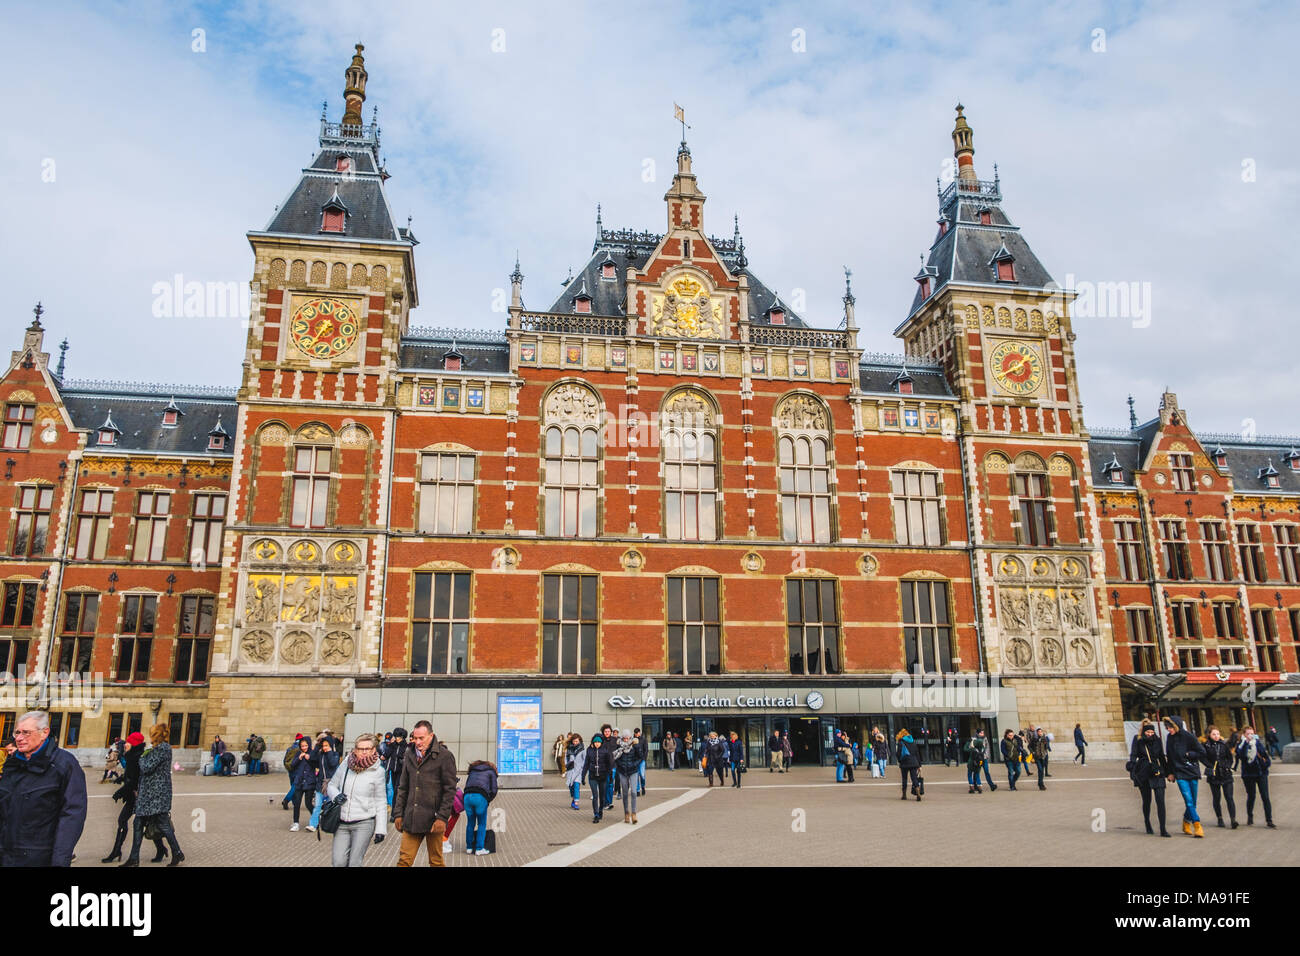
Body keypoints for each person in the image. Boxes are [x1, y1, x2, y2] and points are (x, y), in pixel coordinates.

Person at [0, 711, 87, 866]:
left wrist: (60, 861)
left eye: (26, 733)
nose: (18, 738)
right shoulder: (12, 764)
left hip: (39, 856)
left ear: (44, 733)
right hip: (6, 855)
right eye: (17, 732)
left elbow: (72, 816)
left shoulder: (64, 765)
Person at [393, 720, 457, 866]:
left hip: (434, 819)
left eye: (421, 738)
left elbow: (449, 790)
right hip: (411, 817)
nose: (417, 741)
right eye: (415, 738)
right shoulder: (409, 754)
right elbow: (403, 787)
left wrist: (442, 817)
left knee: (435, 861)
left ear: (431, 735)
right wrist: (398, 814)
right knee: (404, 860)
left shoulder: (445, 756)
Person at [121, 723, 183, 866]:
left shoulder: (163, 749)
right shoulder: (158, 749)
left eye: (152, 733)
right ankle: (134, 858)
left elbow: (147, 767)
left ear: (156, 735)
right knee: (138, 822)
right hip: (150, 793)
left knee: (163, 824)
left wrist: (142, 757)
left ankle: (177, 852)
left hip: (157, 794)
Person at [323, 733, 388, 866]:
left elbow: (381, 801)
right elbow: (331, 785)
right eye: (360, 749)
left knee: (354, 862)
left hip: (364, 822)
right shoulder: (346, 764)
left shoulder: (378, 771)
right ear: (355, 750)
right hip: (341, 822)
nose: (364, 752)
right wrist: (336, 795)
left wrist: (381, 829)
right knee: (338, 862)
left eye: (367, 749)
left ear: (374, 750)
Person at [101, 732, 163, 863]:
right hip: (133, 796)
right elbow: (131, 775)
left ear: (133, 744)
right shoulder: (131, 756)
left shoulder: (136, 757)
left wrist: (120, 792)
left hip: (138, 797)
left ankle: (161, 849)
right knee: (128, 821)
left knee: (140, 822)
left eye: (128, 742)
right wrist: (122, 778)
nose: (125, 745)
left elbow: (135, 780)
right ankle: (116, 851)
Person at [1163, 715, 1206, 837]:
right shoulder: (1169, 738)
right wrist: (1169, 773)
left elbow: (1201, 752)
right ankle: (1197, 825)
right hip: (1179, 773)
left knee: (1193, 801)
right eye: (1167, 727)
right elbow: (1169, 757)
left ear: (1176, 726)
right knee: (1188, 800)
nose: (1168, 729)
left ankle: (1186, 821)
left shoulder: (1188, 736)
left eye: (1170, 727)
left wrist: (1189, 754)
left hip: (1191, 771)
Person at [1129, 720, 1171, 837]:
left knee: (1160, 801)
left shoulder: (1157, 740)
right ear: (1144, 731)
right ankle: (1147, 823)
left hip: (1157, 772)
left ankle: (1163, 828)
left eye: (1152, 731)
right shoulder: (1138, 739)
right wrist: (1132, 767)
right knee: (1147, 801)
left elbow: (1161, 756)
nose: (1150, 734)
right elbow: (1133, 754)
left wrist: (1168, 772)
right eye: (1148, 731)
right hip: (1144, 773)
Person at [1236, 727, 1275, 828]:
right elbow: (1241, 756)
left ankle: (1269, 820)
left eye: (1252, 733)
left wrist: (1265, 765)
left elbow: (1266, 757)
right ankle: (1250, 816)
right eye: (1248, 733)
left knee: (1265, 796)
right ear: (1244, 735)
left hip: (1261, 773)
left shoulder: (1257, 743)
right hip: (1248, 775)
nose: (1250, 736)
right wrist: (1245, 743)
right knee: (1251, 796)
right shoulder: (1241, 745)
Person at [1200, 726, 1237, 829]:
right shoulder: (1206, 745)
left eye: (1217, 734)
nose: (1216, 736)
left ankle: (1233, 819)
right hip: (1214, 775)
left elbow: (1230, 757)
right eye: (1213, 734)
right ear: (1209, 735)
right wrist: (1210, 766)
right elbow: (1202, 758)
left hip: (1226, 774)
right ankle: (1220, 818)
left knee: (1229, 797)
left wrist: (1228, 766)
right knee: (1217, 798)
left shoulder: (1224, 744)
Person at [462, 758, 499, 854]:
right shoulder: (491, 772)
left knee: (470, 823)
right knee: (481, 824)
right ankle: (479, 848)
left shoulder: (473, 771)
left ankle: (469, 848)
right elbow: (494, 789)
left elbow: (467, 785)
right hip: (480, 797)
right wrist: (488, 800)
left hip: (467, 796)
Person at [308, 736, 340, 832]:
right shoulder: (320, 755)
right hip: (320, 784)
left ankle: (330, 823)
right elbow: (312, 759)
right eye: (324, 745)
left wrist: (330, 752)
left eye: (327, 745)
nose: (325, 747)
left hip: (332, 785)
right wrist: (317, 746)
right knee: (317, 806)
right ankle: (313, 825)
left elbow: (333, 764)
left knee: (331, 805)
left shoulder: (335, 754)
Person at [287, 737, 318, 831]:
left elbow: (316, 765)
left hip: (309, 782)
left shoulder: (312, 753)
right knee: (297, 803)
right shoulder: (298, 753)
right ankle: (296, 823)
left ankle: (316, 820)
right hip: (299, 782)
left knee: (308, 803)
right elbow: (292, 766)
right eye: (302, 746)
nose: (304, 748)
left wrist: (309, 759)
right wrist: (299, 759)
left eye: (305, 746)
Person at [582, 733, 612, 823]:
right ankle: (596, 814)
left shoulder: (605, 751)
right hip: (592, 776)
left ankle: (600, 810)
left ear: (601, 742)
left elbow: (609, 765)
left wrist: (610, 777)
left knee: (602, 797)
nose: (597, 744)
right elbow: (586, 764)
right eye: (595, 742)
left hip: (603, 777)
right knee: (595, 795)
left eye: (599, 742)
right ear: (593, 742)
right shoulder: (589, 750)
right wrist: (583, 776)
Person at [613, 731, 642, 822]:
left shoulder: (635, 746)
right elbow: (616, 758)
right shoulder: (619, 746)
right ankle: (626, 813)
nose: (626, 740)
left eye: (628, 738)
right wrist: (620, 764)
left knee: (633, 792)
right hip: (622, 772)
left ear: (630, 738)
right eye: (624, 738)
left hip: (633, 771)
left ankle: (634, 814)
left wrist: (634, 765)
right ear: (622, 738)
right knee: (624, 793)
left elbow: (640, 757)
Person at [896, 728, 923, 801]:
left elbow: (898, 753)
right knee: (914, 778)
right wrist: (919, 765)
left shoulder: (901, 742)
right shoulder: (913, 741)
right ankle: (918, 793)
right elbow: (917, 753)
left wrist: (899, 760)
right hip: (914, 762)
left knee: (904, 779)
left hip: (904, 762)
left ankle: (904, 795)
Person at [385, 727, 408, 810]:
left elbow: (405, 757)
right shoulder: (393, 745)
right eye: (396, 736)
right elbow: (386, 754)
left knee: (397, 790)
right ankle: (395, 811)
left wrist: (401, 757)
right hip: (393, 770)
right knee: (395, 791)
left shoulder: (405, 746)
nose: (397, 738)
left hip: (401, 771)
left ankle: (395, 812)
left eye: (398, 737)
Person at [565, 734, 586, 809]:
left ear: (579, 740)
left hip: (578, 771)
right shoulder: (569, 749)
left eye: (577, 741)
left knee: (576, 785)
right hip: (570, 770)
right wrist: (566, 765)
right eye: (574, 741)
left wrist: (583, 768)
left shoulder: (583, 749)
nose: (575, 742)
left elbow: (585, 759)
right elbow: (566, 758)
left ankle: (576, 802)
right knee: (571, 786)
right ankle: (573, 798)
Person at [634, 728, 647, 797]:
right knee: (636, 776)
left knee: (642, 775)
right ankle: (637, 790)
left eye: (637, 733)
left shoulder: (644, 739)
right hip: (635, 761)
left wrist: (644, 759)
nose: (636, 734)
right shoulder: (633, 740)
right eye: (635, 733)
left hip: (642, 760)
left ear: (640, 732)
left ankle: (643, 787)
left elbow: (646, 750)